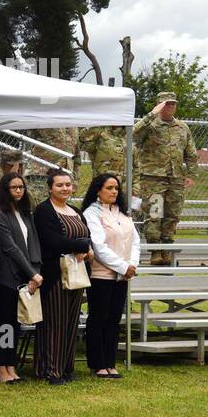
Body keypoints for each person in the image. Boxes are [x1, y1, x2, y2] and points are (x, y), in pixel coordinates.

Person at [32, 169, 92, 385]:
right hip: (54, 274)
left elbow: (88, 236)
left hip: (76, 273)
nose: (65, 188)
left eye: (68, 184)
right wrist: (82, 245)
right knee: (53, 323)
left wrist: (87, 247)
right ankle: (50, 370)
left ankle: (66, 368)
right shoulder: (44, 211)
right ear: (50, 188)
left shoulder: (75, 210)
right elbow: (52, 241)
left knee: (70, 322)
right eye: (60, 185)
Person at [0, 173, 42, 384]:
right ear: (5, 190)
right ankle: (1, 366)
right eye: (14, 187)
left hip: (27, 276)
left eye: (21, 187)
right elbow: (10, 247)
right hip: (8, 277)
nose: (18, 191)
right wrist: (32, 273)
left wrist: (35, 273)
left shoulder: (26, 214)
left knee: (16, 323)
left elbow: (33, 244)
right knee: (5, 324)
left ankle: (12, 364)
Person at [81, 174, 140, 379]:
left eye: (116, 188)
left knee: (114, 319)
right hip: (101, 275)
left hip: (122, 276)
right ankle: (97, 363)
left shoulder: (123, 214)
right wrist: (123, 266)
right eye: (109, 188)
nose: (114, 191)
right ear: (98, 190)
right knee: (99, 318)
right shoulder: (92, 213)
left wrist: (132, 264)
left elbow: (135, 241)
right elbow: (98, 246)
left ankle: (110, 362)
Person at [134, 92, 197, 265]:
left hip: (176, 178)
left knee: (172, 215)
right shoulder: (149, 125)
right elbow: (133, 133)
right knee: (154, 214)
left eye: (173, 104)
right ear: (159, 105)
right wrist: (152, 114)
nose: (170, 107)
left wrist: (191, 175)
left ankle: (167, 250)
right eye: (166, 104)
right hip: (153, 178)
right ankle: (155, 252)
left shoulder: (182, 127)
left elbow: (191, 154)